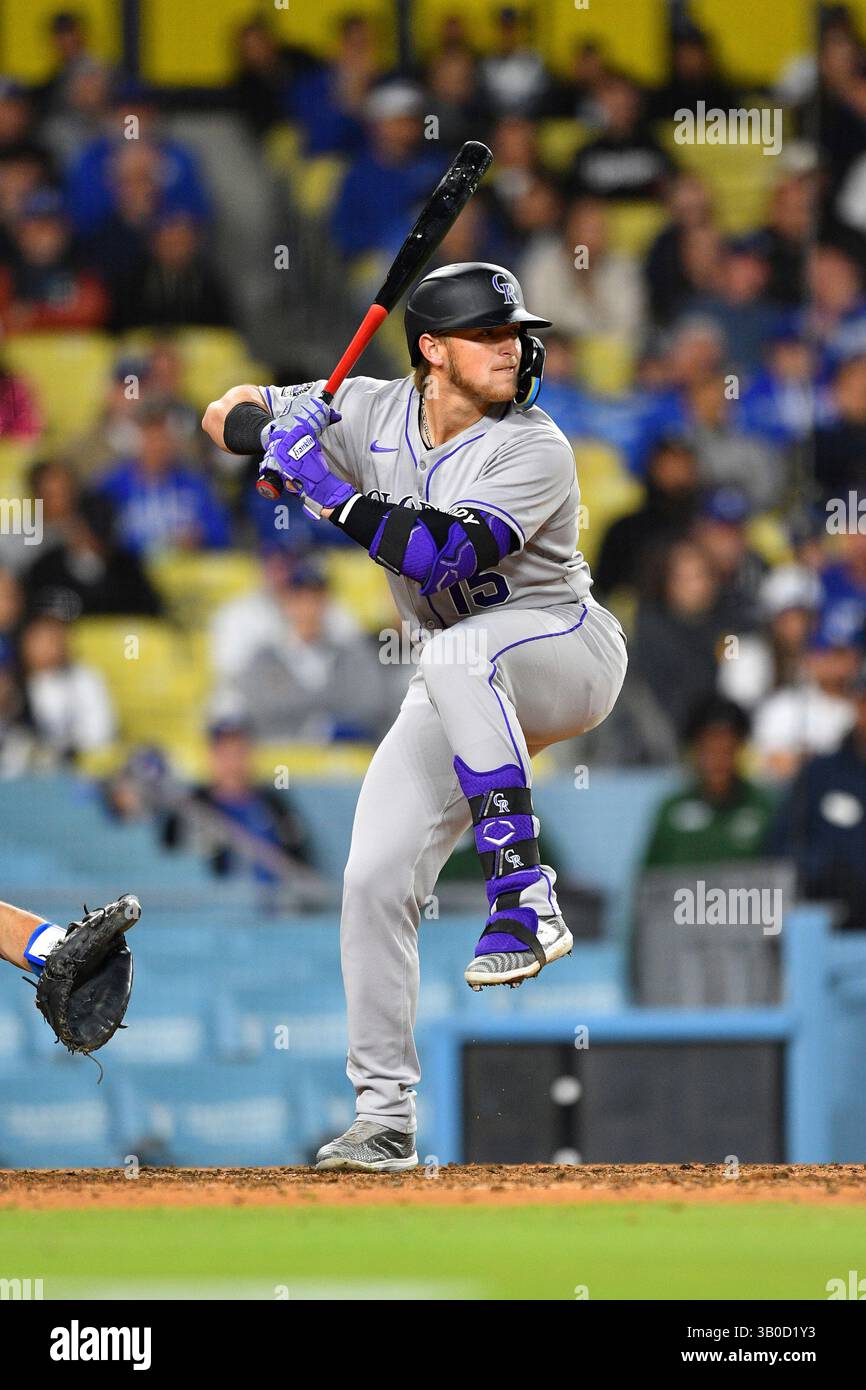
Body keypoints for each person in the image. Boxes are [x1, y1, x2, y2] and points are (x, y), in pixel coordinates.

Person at [202, 260, 628, 1170]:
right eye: (490, 336)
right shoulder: (367, 407)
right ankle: (384, 1116)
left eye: (516, 333)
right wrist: (265, 429)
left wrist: (325, 487)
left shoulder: (535, 444)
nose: (513, 348)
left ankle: (523, 890)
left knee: (456, 645)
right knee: (373, 878)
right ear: (433, 350)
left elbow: (439, 562)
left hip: (563, 649)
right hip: (460, 682)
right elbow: (220, 407)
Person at [767, 660, 866, 930]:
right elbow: (783, 845)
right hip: (837, 927)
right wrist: (827, 870)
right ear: (856, 705)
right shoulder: (820, 774)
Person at [642, 696, 775, 869]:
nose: (718, 760)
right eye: (709, 750)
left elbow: (779, 879)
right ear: (694, 752)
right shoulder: (671, 811)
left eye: (726, 749)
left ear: (740, 751)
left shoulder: (764, 809)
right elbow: (648, 883)